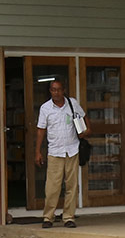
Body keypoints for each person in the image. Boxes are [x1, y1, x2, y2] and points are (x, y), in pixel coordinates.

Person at [33, 78, 88, 228]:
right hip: (55, 151)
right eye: (53, 90)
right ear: (50, 91)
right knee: (52, 187)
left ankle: (68, 217)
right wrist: (37, 151)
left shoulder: (72, 103)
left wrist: (85, 131)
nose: (56, 92)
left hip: (72, 150)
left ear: (63, 90)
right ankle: (48, 217)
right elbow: (41, 130)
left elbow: (83, 118)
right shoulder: (45, 108)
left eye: (59, 89)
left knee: (72, 186)